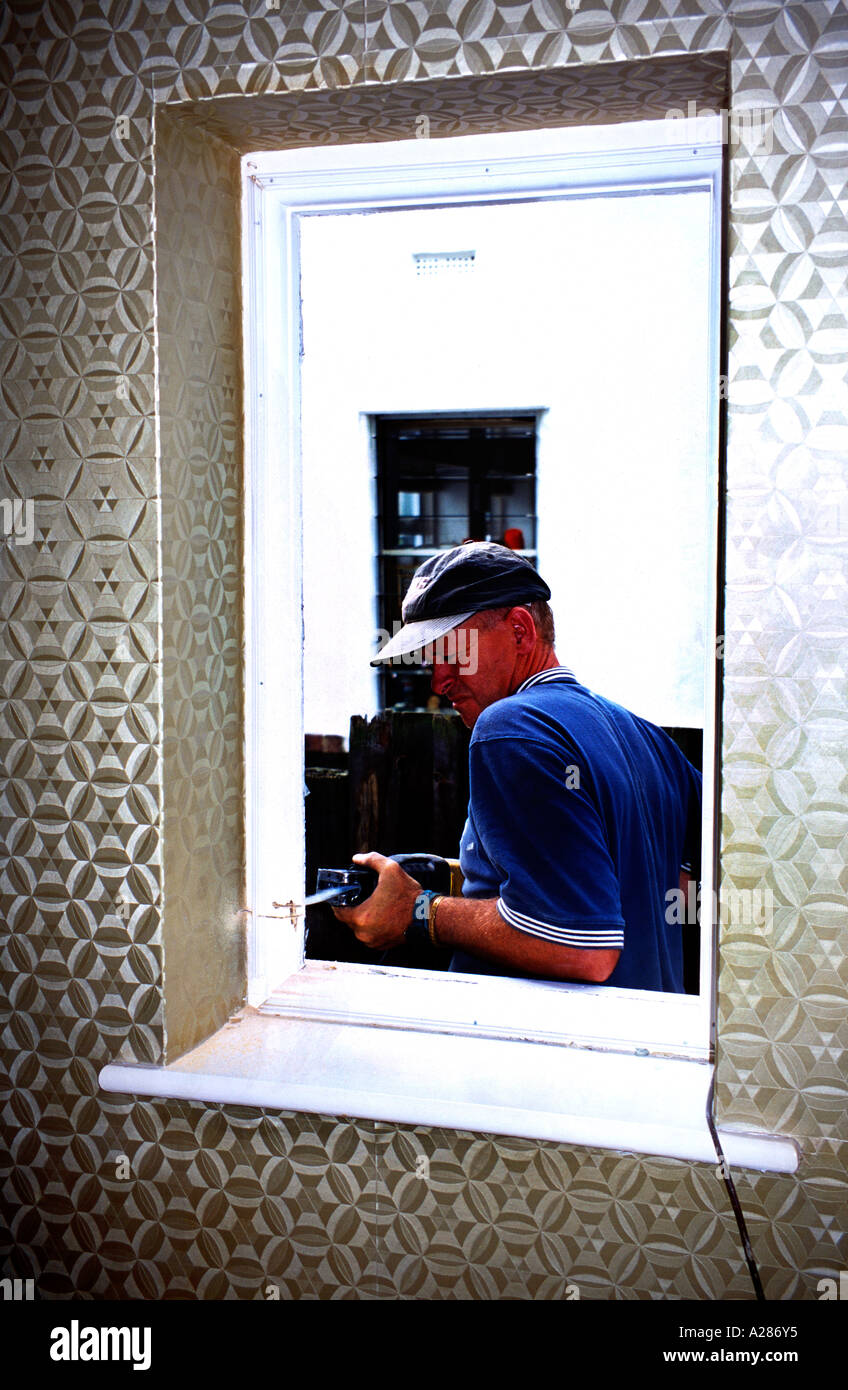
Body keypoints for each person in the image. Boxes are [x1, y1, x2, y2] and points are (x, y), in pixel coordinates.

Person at [333, 542, 701, 992]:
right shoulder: (649, 739)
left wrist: (419, 910)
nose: (438, 680)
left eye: (453, 655)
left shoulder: (511, 727)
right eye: (431, 661)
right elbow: (674, 889)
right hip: (650, 1045)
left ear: (521, 630)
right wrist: (461, 874)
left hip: (550, 1050)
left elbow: (583, 947)